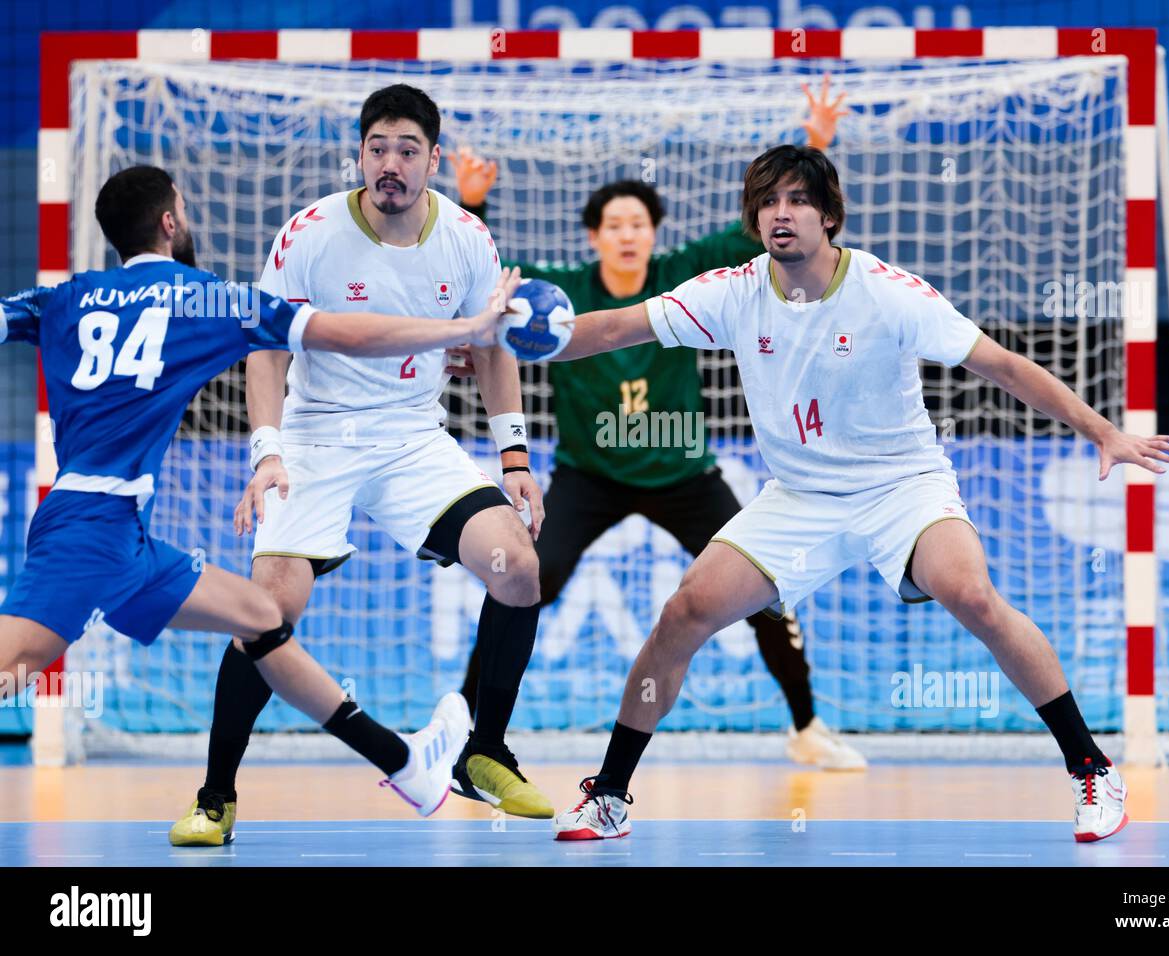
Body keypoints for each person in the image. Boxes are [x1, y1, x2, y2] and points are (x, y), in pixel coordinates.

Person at [543, 144, 1169, 843]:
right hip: (801, 496)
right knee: (684, 612)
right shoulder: (731, 290)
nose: (780, 214)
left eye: (796, 200)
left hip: (901, 485)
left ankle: (1092, 768)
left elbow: (1001, 364)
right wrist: (515, 339)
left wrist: (1099, 431)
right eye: (768, 202)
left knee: (969, 593)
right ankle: (609, 795)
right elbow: (612, 326)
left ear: (829, 214)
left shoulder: (888, 293)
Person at [0, 165, 523, 842]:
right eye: (182, 209)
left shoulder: (64, 298)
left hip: (122, 535)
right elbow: (350, 335)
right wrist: (467, 327)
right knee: (10, 670)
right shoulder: (202, 301)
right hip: (87, 538)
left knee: (261, 617)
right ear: (170, 221)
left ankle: (408, 766)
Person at [168, 85, 557, 846]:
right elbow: (267, 347)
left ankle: (481, 752)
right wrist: (268, 452)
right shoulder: (309, 232)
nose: (390, 163)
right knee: (267, 608)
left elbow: (490, 348)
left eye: (408, 150)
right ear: (359, 154)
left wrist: (513, 453)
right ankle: (216, 795)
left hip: (414, 438)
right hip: (315, 437)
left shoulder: (468, 238)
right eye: (377, 147)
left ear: (433, 160)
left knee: (518, 567)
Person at [445, 77, 863, 770]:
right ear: (595, 236)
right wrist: (474, 201)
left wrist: (814, 141)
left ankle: (806, 726)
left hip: (684, 474)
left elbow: (751, 231)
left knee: (768, 587)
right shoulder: (565, 289)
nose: (629, 235)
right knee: (521, 577)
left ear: (653, 234)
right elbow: (493, 283)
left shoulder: (681, 271)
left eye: (639, 224)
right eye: (615, 226)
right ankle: (469, 728)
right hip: (589, 475)